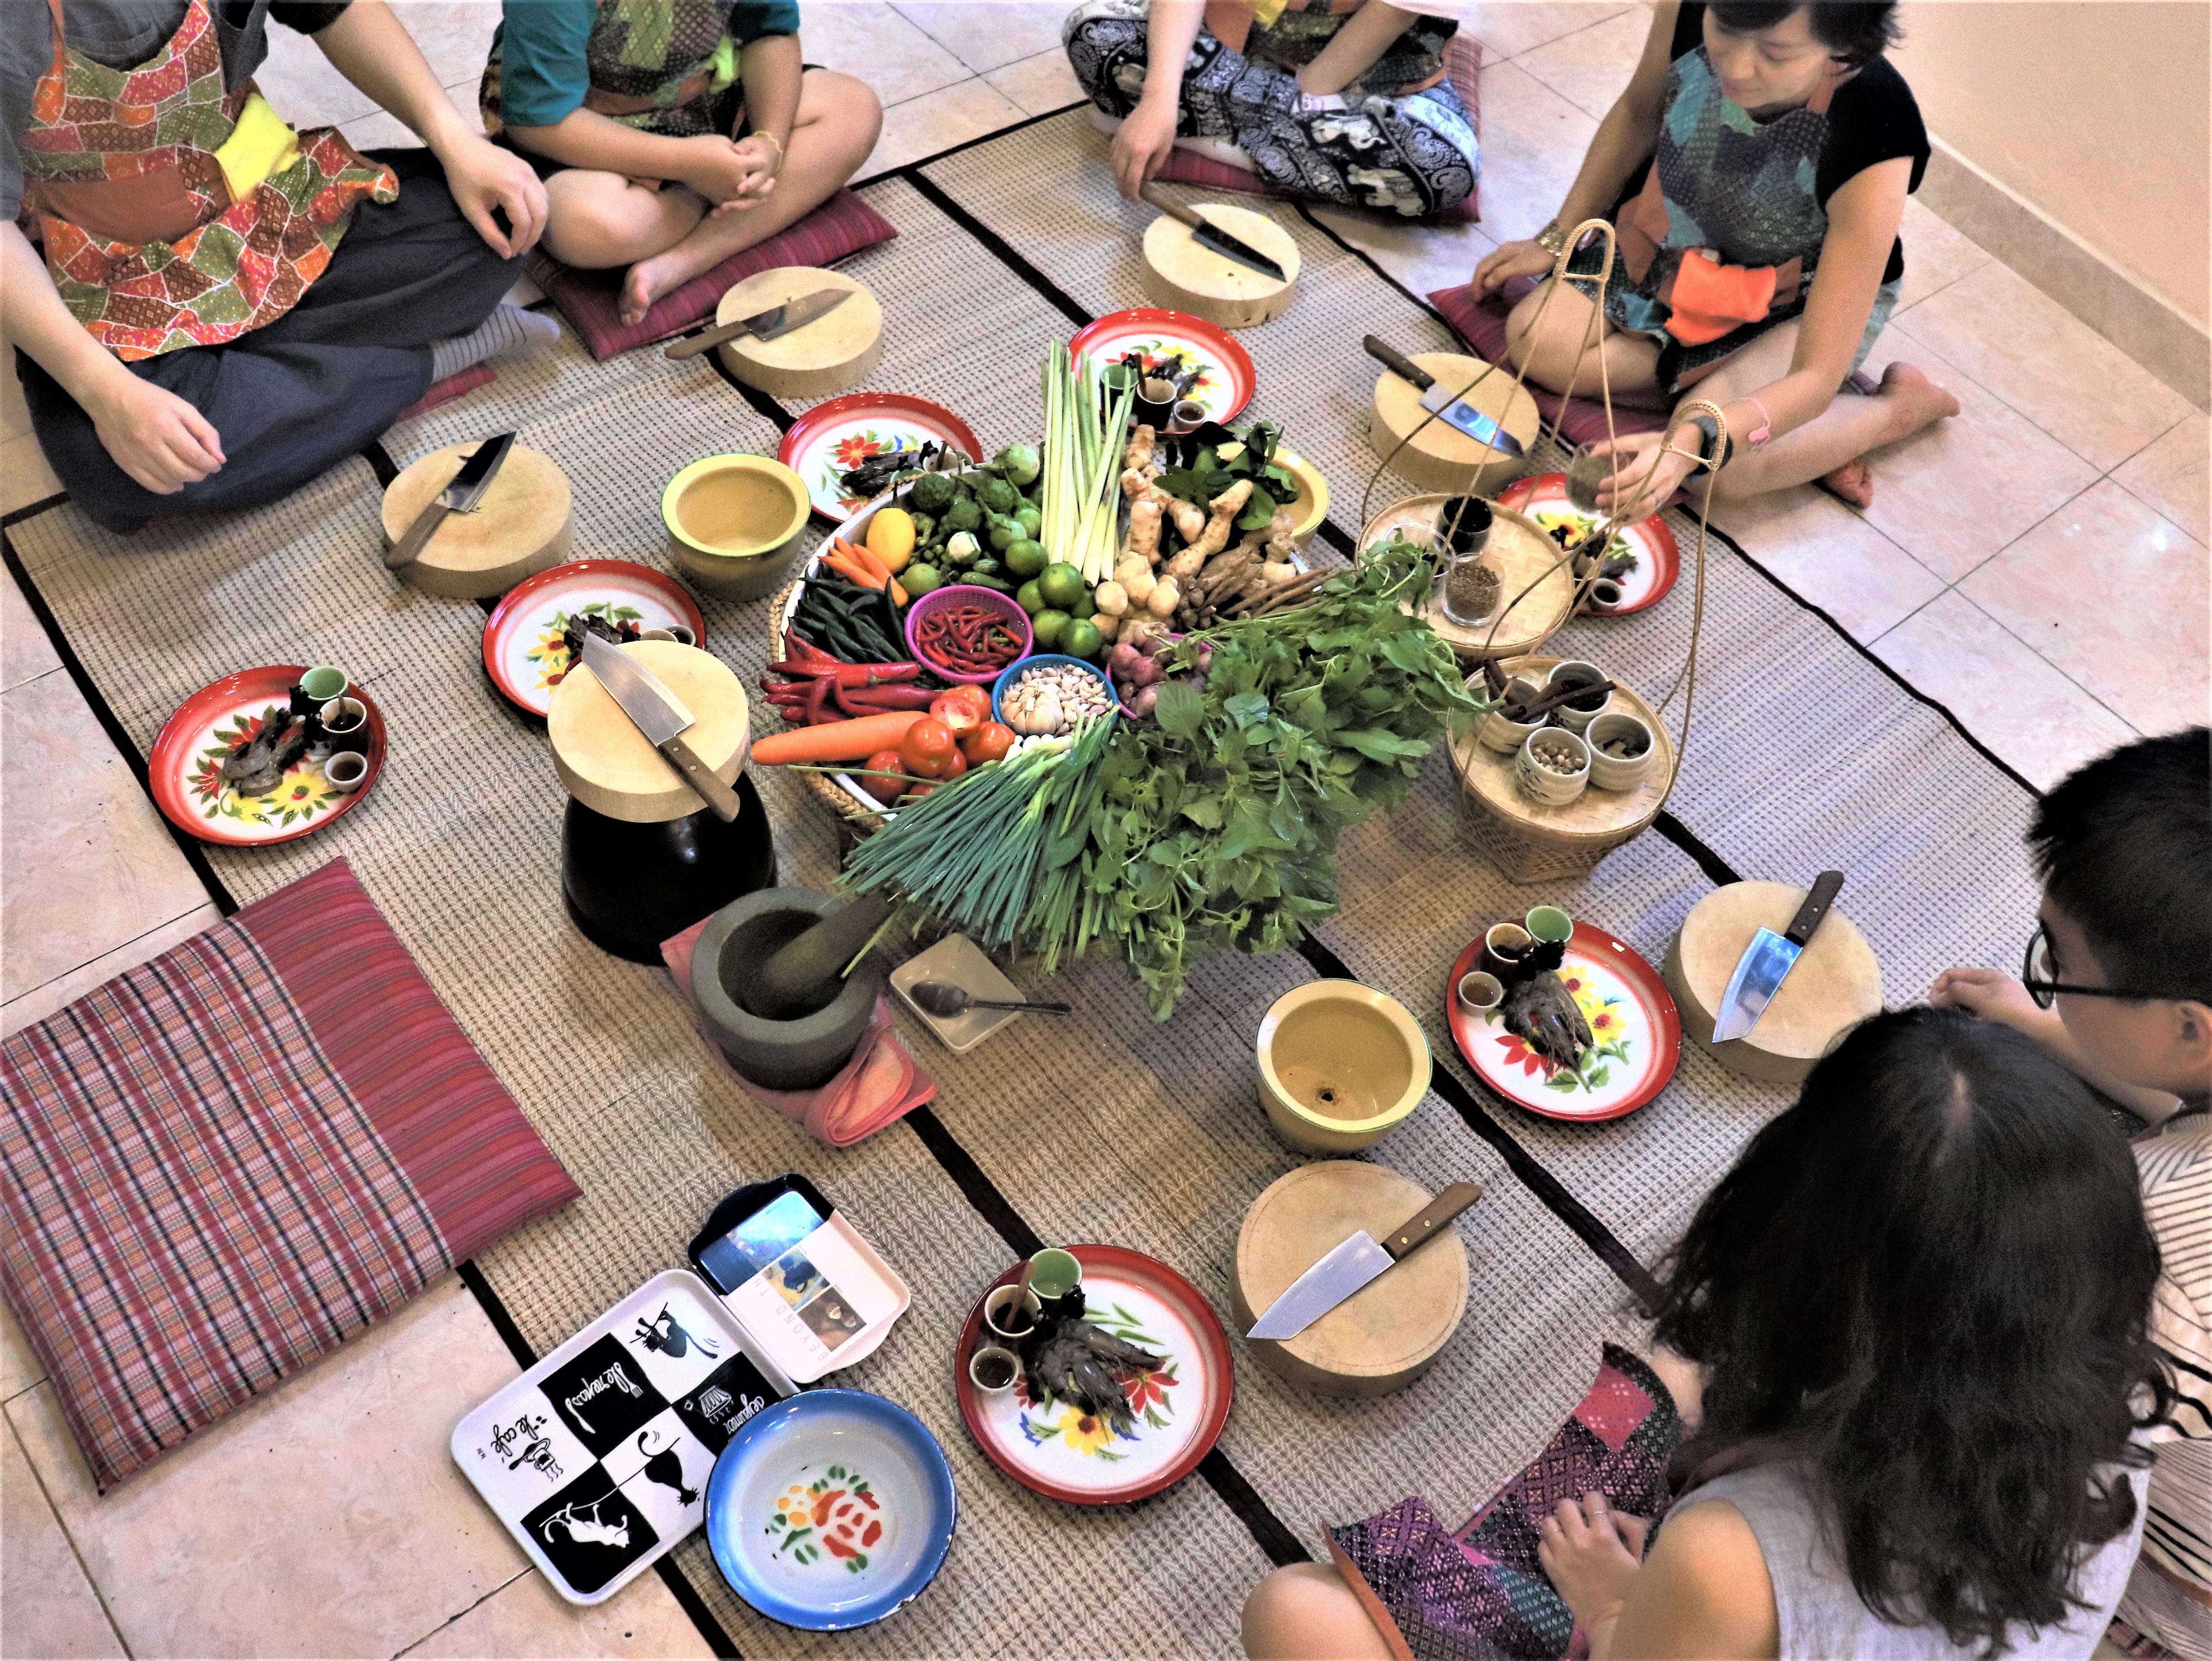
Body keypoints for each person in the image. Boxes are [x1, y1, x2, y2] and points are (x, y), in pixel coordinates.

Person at [1245, 1007, 2170, 1659]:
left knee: (1293, 1612)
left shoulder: (1727, 1556)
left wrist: (1614, 1606)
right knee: (1672, 1377)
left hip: (1679, 1609)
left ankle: (1511, 1578)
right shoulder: (2117, 1414)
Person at [3, 0, 554, 534]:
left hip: (274, 221)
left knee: (494, 227)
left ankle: (271, 383)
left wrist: (456, 142)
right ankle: (424, 363)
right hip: (114, 283)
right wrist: (107, 392)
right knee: (107, 466)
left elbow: (335, 9)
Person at [1933, 728, 2212, 1661]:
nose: (2043, 982)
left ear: (2187, 1024)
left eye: (2058, 963)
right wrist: (2057, 1031)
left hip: (2175, 1597)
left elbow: (2021, 1432)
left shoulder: (2152, 1249)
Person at [1471, 1, 1960, 519]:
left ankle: (1898, 409)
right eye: (1725, 31)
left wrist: (1691, 443)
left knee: (1721, 471)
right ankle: (1718, 388)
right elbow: (1640, 112)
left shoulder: (1877, 127)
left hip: (1790, 298)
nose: (1736, 66)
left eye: (1775, 53)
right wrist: (1557, 235)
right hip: (1675, 243)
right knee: (1536, 340)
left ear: (1843, 51)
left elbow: (1815, 376)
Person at [484, 0, 881, 327]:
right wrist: (690, 167)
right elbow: (538, 123)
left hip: (705, 101)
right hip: (590, 130)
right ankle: (707, 195)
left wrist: (769, 142)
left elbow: (770, 34)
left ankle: (687, 258)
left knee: (855, 109)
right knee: (584, 226)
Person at [1065, 0, 1479, 220]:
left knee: (1446, 164)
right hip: (1230, 41)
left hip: (1355, 70)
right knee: (1092, 32)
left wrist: (1302, 103)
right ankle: (1272, 149)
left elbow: (1388, 18)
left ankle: (1213, 140)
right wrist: (1159, 96)